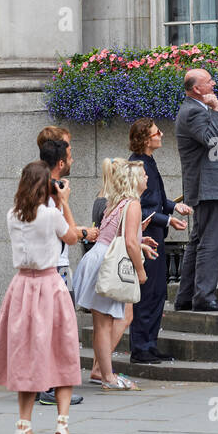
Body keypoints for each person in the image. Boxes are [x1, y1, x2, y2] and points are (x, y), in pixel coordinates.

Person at [0, 160, 84, 434]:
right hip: (50, 286)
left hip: (21, 288)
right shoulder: (51, 215)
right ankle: (62, 427)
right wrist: (64, 201)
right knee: (63, 353)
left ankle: (23, 427)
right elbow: (71, 235)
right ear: (46, 186)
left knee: (26, 356)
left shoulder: (12, 215)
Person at [71, 158, 151, 391]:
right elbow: (129, 243)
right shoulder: (133, 204)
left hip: (96, 258)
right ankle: (107, 376)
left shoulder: (116, 202)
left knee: (101, 324)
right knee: (104, 325)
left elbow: (116, 235)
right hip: (107, 263)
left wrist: (139, 237)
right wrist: (141, 271)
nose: (147, 178)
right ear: (135, 180)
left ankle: (103, 373)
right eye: (143, 174)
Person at [174, 67, 218, 311]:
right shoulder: (194, 111)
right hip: (208, 186)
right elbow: (211, 140)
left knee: (198, 241)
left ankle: (186, 297)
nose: (214, 84)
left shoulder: (195, 110)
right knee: (211, 242)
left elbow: (214, 141)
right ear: (196, 89)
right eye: (209, 81)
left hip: (208, 185)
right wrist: (217, 110)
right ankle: (204, 297)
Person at [36, 131, 96, 407]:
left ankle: (43, 384)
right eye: (70, 155)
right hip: (55, 270)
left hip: (40, 270)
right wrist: (80, 226)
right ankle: (48, 386)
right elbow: (68, 234)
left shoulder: (34, 188)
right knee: (59, 328)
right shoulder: (52, 193)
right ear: (60, 162)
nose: (72, 159)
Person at [127, 119, 190, 365]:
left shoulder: (148, 162)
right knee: (148, 292)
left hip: (155, 234)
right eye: (157, 132)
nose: (161, 134)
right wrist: (168, 220)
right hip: (147, 236)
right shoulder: (138, 165)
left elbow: (159, 198)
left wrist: (175, 206)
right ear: (145, 139)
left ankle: (149, 345)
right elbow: (139, 206)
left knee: (156, 292)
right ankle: (141, 348)